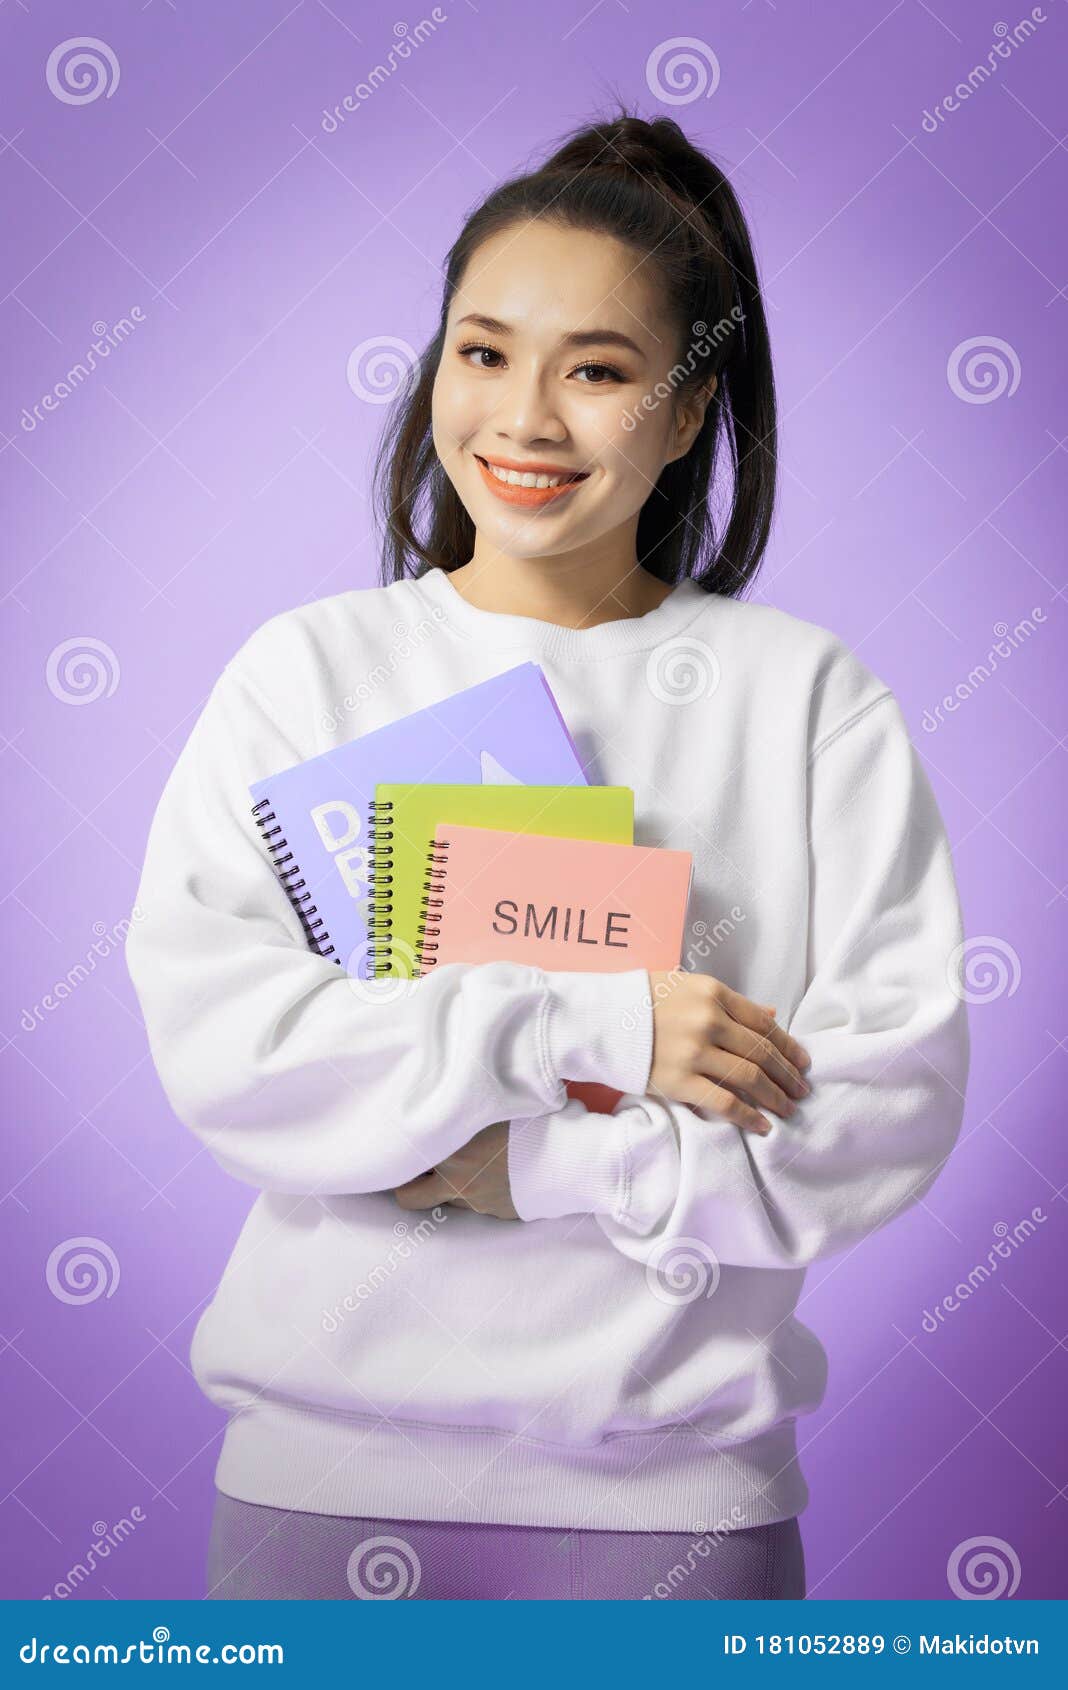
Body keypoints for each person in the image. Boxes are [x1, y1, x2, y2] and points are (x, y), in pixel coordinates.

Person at [126, 108, 970, 1601]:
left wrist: (545, 1166)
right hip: (318, 1487)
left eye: (597, 370)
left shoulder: (805, 699)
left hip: (675, 1511)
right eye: (483, 351)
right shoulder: (307, 672)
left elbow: (884, 1099)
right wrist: (599, 1026)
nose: (523, 419)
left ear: (690, 409)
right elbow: (226, 1042)